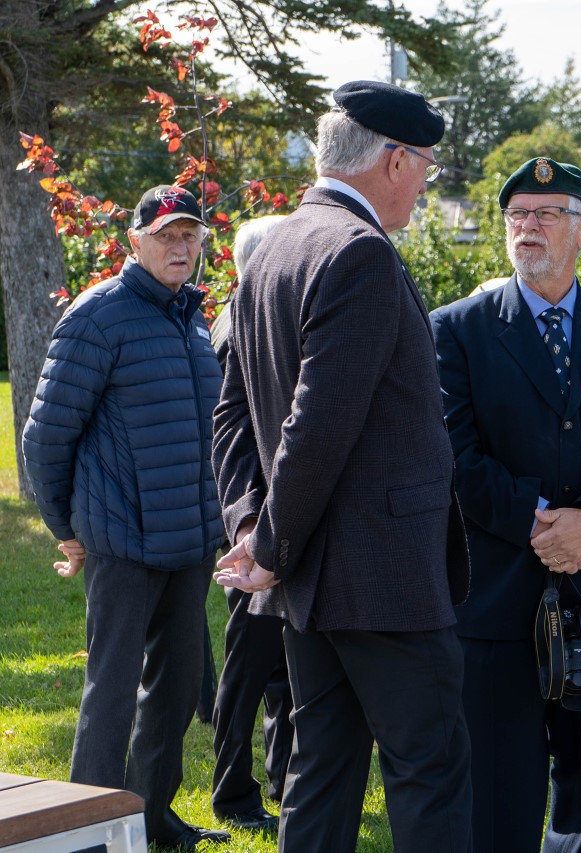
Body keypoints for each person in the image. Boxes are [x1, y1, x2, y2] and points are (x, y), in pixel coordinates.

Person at [211, 80, 471, 853]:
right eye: (425, 163)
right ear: (393, 160)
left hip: (308, 585)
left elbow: (233, 415)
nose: (427, 181)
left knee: (320, 775)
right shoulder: (356, 252)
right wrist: (266, 542)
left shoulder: (275, 246)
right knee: (429, 773)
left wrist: (255, 525)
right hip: (379, 581)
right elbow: (314, 425)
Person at [429, 156, 581, 852]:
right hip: (499, 601)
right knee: (499, 798)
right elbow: (454, 454)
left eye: (545, 214)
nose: (527, 227)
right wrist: (541, 524)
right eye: (517, 216)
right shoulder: (459, 329)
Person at [22, 184, 230, 850]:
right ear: (134, 243)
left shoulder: (190, 316)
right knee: (111, 693)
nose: (181, 247)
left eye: (190, 236)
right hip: (123, 542)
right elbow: (46, 436)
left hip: (189, 542)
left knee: (171, 695)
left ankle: (151, 817)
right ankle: (84, 830)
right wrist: (67, 526)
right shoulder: (98, 316)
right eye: (167, 235)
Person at [207, 214, 293, 833]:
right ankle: (233, 793)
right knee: (249, 663)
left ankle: (288, 781)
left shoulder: (256, 314)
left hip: (282, 519)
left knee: (286, 666)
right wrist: (251, 528)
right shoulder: (240, 323)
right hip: (253, 522)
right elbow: (238, 434)